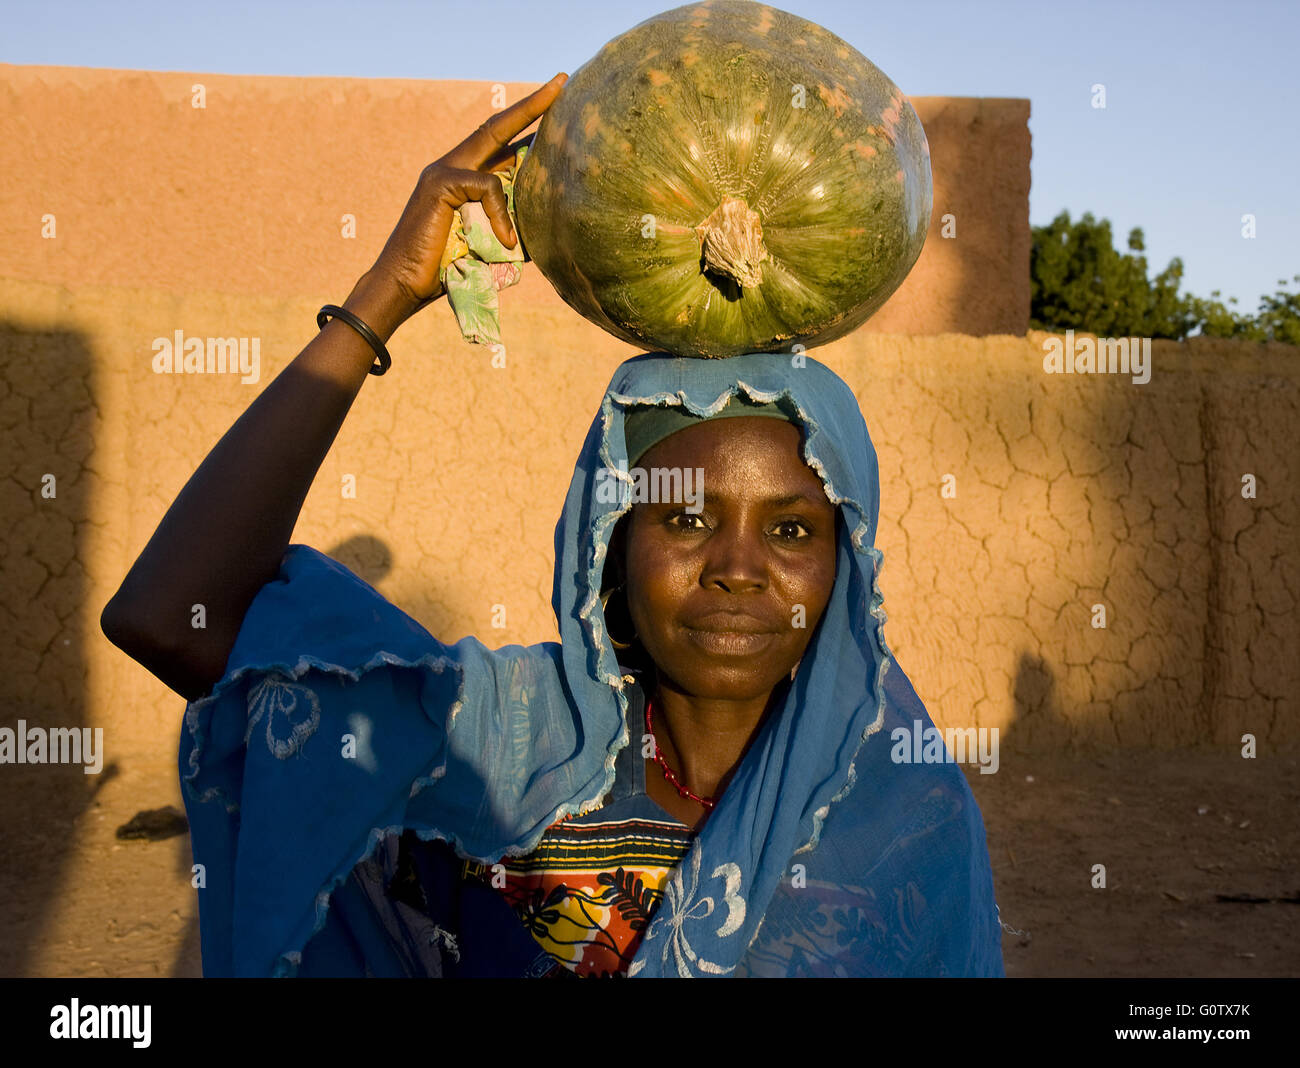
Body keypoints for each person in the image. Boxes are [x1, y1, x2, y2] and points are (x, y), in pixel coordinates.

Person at [101, 72, 1004, 978]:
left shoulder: (904, 817)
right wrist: (383, 297)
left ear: (846, 562)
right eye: (688, 516)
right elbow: (168, 615)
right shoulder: (503, 751)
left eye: (793, 531)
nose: (738, 566)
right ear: (611, 544)